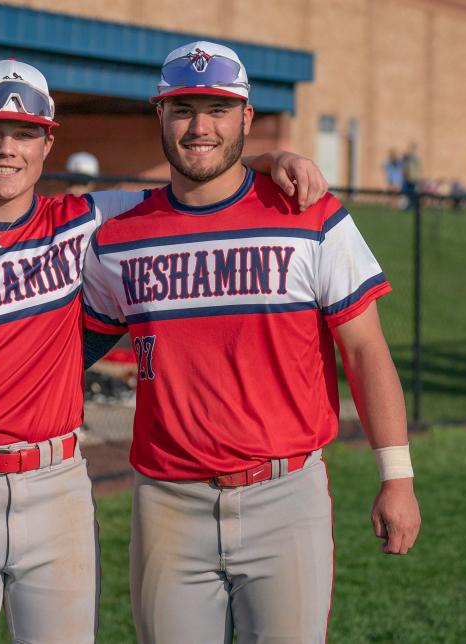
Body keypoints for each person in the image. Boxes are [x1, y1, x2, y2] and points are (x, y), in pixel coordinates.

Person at [0, 58, 328, 643]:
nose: (7, 149)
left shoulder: (83, 222)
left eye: (25, 134)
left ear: (47, 144)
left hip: (59, 485)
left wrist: (270, 159)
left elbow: (199, 176)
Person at [82, 41, 421, 643]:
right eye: (183, 109)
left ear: (246, 116)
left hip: (284, 494)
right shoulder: (119, 233)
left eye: (217, 110)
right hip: (167, 500)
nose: (199, 127)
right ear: (159, 114)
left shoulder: (309, 213)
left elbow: (365, 349)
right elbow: (65, 349)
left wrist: (397, 478)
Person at [402, 142, 422, 211]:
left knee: (413, 193)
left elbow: (418, 168)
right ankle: (406, 206)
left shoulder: (416, 158)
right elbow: (404, 167)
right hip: (407, 178)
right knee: (406, 193)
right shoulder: (407, 158)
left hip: (413, 178)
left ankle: (412, 206)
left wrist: (417, 177)